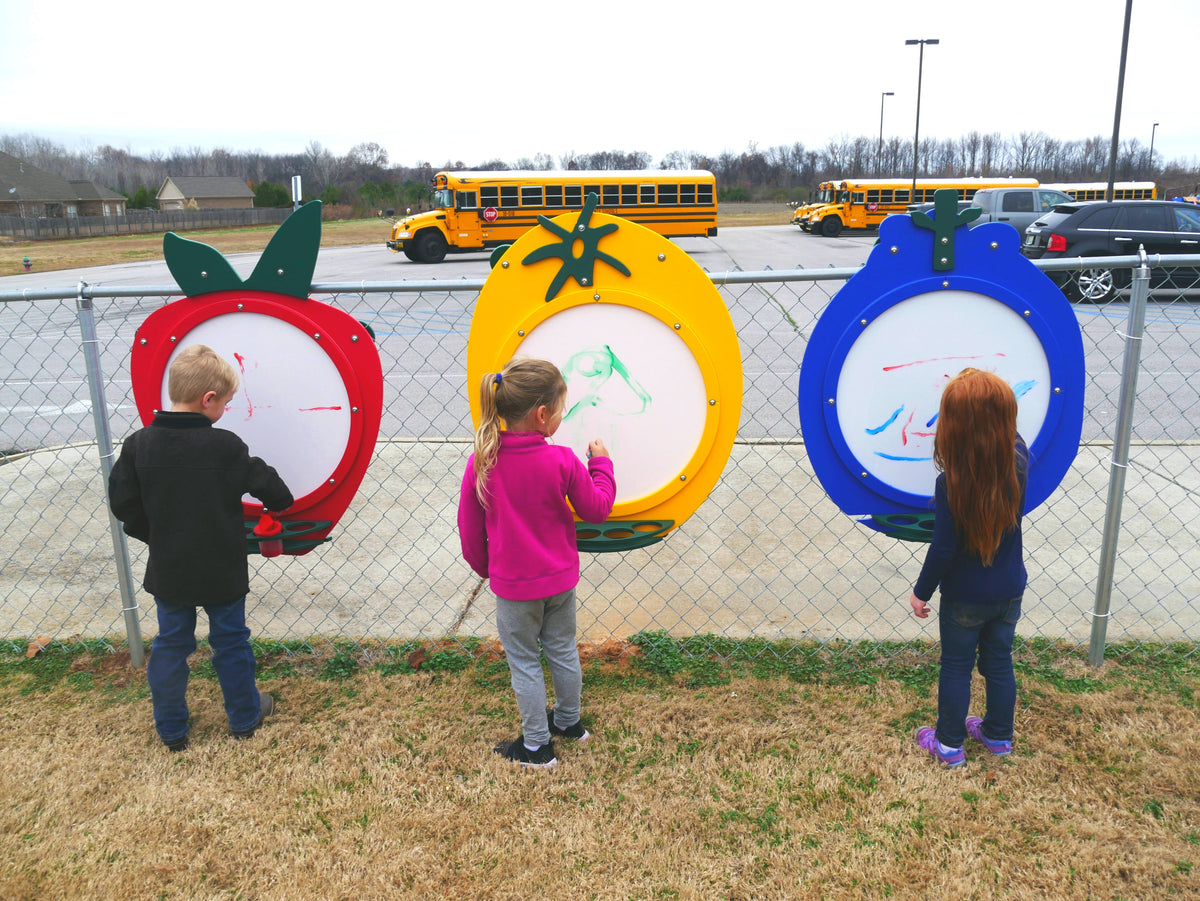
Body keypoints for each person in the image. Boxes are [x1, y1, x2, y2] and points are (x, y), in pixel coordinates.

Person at [108, 344, 293, 752]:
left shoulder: (139, 444)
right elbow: (274, 490)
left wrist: (155, 535)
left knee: (172, 644)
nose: (225, 410)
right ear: (208, 400)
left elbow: (123, 504)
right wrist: (279, 502)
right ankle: (244, 717)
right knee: (231, 640)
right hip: (222, 568)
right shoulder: (226, 447)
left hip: (170, 567)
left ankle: (171, 728)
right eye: (225, 403)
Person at [458, 358, 616, 768]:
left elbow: (469, 532)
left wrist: (488, 570)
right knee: (562, 649)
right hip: (560, 583)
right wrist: (601, 463)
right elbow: (597, 508)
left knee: (525, 661)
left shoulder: (483, 462)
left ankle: (536, 748)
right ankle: (568, 724)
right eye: (562, 410)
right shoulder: (563, 461)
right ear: (543, 415)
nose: (562, 418)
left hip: (514, 587)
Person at [909, 368, 1028, 768]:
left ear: (952, 429)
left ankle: (948, 745)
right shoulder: (1019, 461)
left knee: (957, 667)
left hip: (963, 598)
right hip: (1009, 589)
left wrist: (921, 591)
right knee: (999, 662)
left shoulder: (951, 483)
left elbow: (942, 550)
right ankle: (998, 736)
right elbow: (1011, 435)